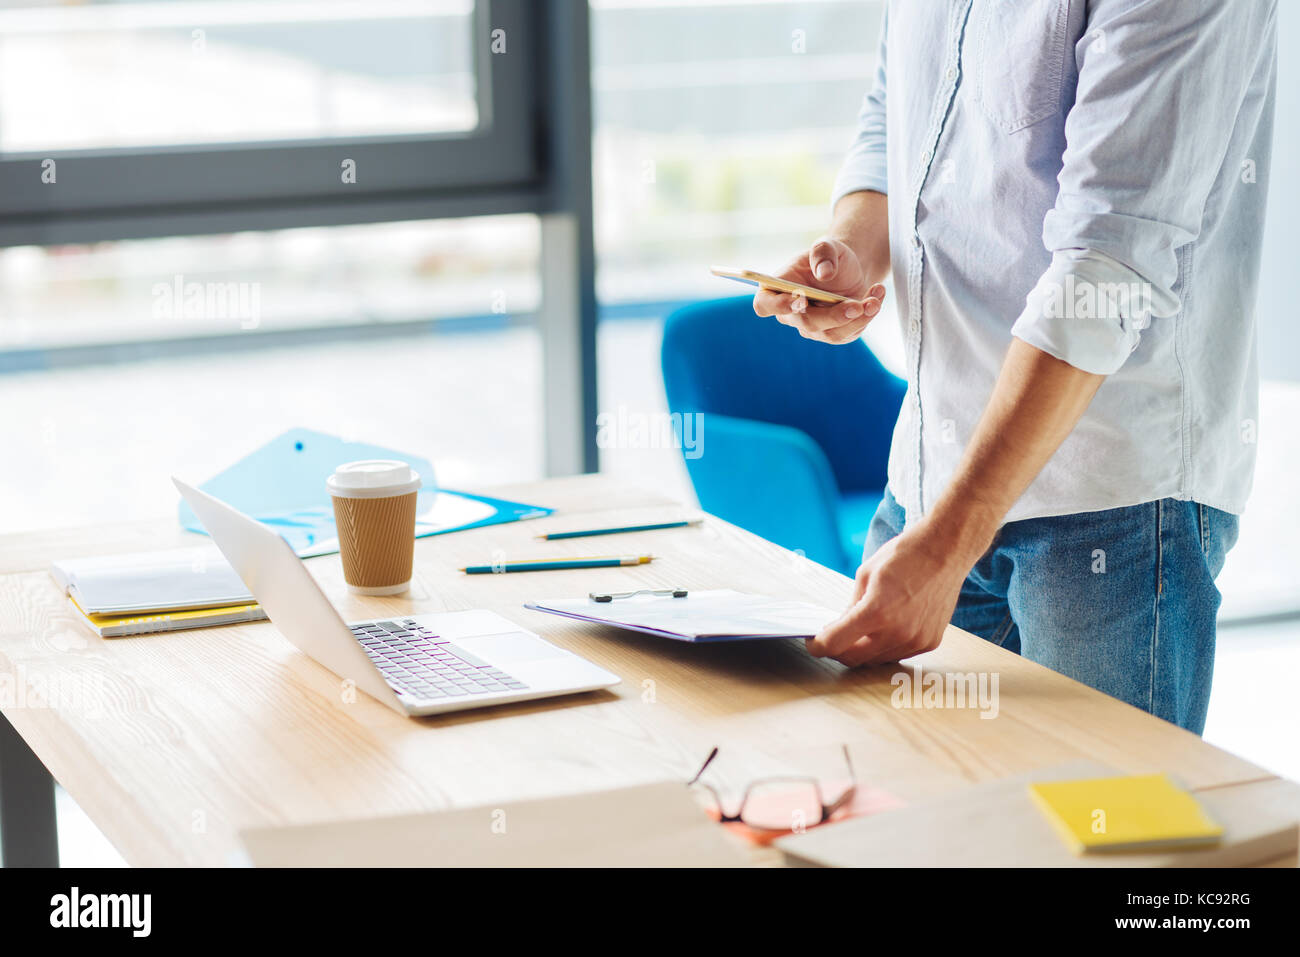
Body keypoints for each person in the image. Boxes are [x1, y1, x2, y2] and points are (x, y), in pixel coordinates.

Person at [754, 0, 1277, 734]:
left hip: (1108, 507)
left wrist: (947, 547)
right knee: (909, 821)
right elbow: (893, 116)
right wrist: (850, 249)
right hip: (928, 480)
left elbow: (1108, 264)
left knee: (1097, 834)